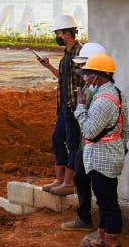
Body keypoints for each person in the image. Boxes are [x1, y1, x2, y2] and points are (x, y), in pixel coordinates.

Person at [74, 53, 129, 247]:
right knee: (105, 199)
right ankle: (101, 239)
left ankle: (112, 242)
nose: (84, 78)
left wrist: (80, 108)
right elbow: (126, 129)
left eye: (87, 74)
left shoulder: (102, 101)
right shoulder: (117, 93)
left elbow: (89, 131)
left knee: (107, 202)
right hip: (109, 155)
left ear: (97, 76)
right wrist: (120, 149)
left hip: (101, 159)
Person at [61, 42, 107, 233]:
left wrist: (80, 106)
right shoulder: (92, 87)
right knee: (80, 179)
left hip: (98, 148)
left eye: (85, 65)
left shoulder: (103, 92)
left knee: (103, 190)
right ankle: (84, 218)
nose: (82, 70)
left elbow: (91, 122)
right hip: (86, 144)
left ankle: (105, 229)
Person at [37, 14, 81, 195]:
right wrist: (48, 66)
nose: (57, 36)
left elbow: (84, 79)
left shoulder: (80, 53)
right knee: (57, 140)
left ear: (67, 34)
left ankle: (69, 183)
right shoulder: (67, 55)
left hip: (73, 107)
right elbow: (64, 78)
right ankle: (60, 179)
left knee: (72, 143)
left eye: (58, 33)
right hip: (63, 107)